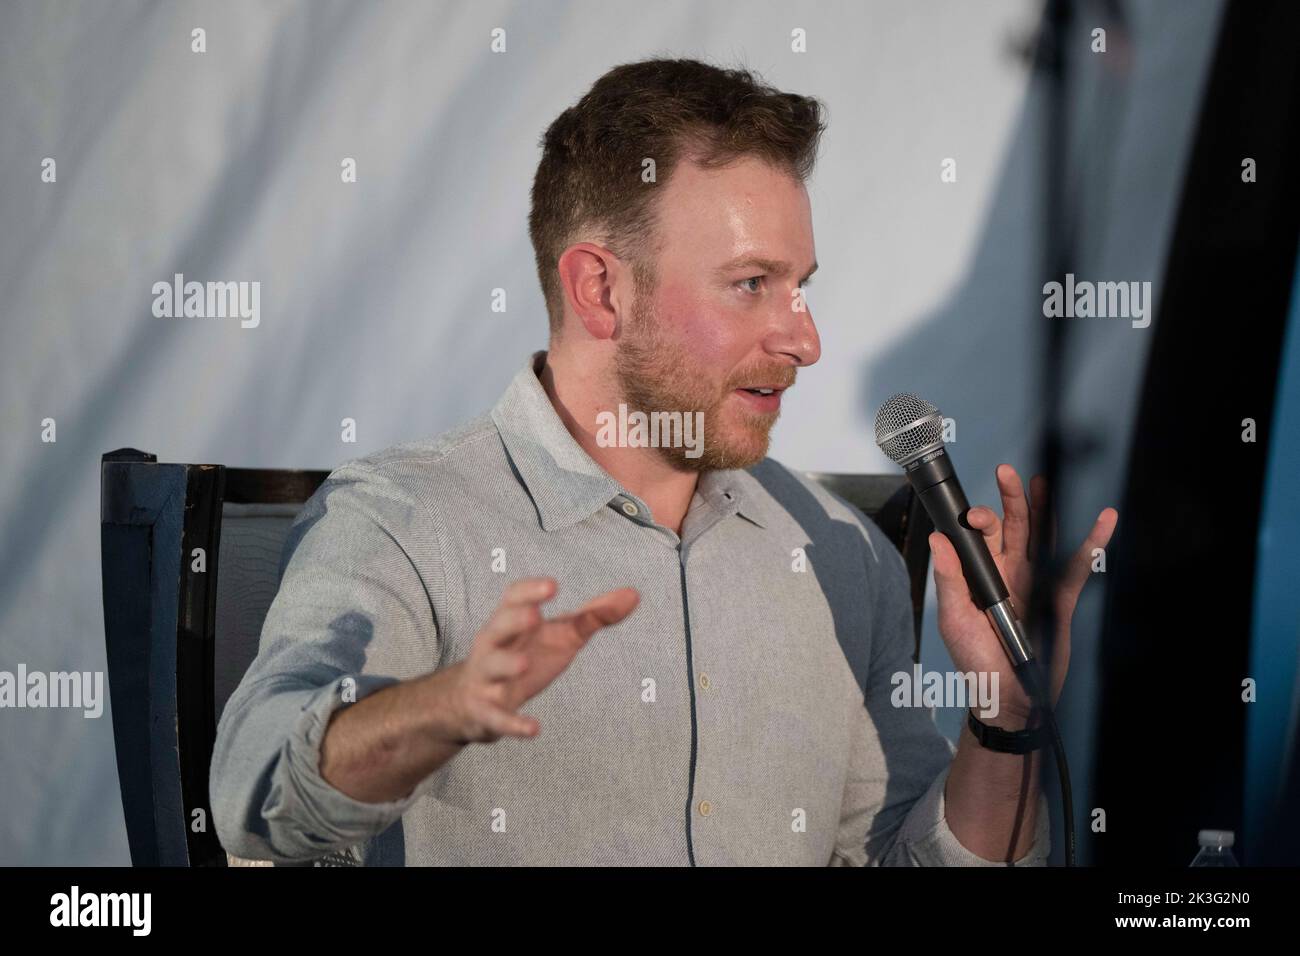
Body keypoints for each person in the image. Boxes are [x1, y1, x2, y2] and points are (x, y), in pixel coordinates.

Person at [210, 57, 1118, 866]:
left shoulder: (843, 552)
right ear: (600, 290)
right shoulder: (407, 520)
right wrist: (436, 710)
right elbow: (254, 802)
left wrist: (1007, 722)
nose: (804, 338)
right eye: (752, 284)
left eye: (801, 288)